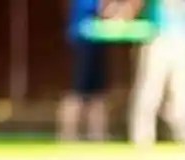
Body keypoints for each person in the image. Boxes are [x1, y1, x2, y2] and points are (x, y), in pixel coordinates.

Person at [60, 0, 141, 142]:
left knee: (98, 93)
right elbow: (102, 11)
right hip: (84, 40)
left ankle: (97, 134)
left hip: (96, 41)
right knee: (79, 92)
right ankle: (68, 134)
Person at [130, 0, 185, 146]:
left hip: (181, 37)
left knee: (184, 93)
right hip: (158, 36)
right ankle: (142, 139)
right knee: (150, 92)